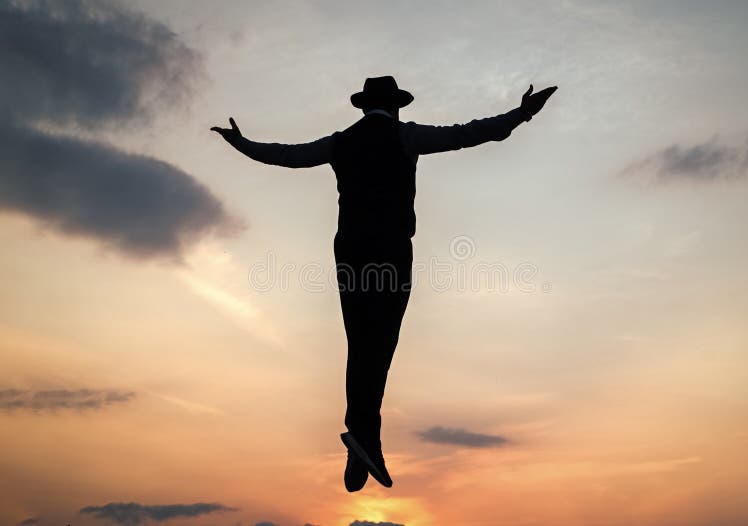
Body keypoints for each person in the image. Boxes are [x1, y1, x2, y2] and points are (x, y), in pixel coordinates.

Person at [211, 76, 557, 492]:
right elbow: (469, 133)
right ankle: (363, 439)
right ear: (396, 106)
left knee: (360, 344)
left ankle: (363, 440)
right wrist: (521, 114)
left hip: (351, 253)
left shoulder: (340, 142)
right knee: (380, 344)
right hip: (391, 252)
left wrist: (241, 143)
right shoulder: (407, 136)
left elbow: (287, 156)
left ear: (363, 107)